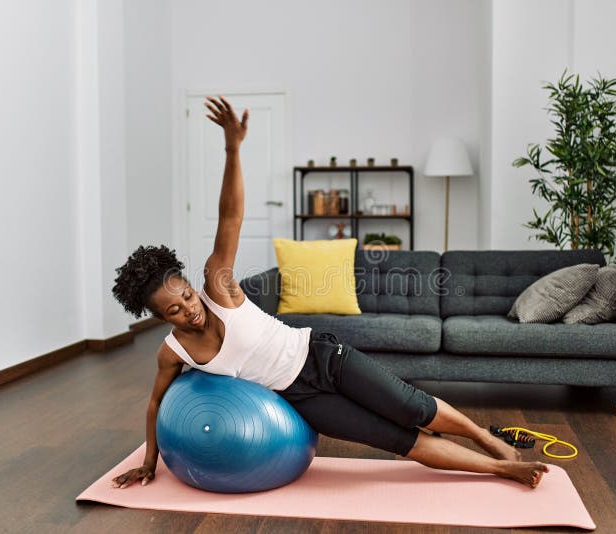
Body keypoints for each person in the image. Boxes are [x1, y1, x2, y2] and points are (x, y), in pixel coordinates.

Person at [109, 96, 549, 490]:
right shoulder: (173, 353)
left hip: (322, 358)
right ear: (161, 318)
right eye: (174, 310)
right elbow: (156, 404)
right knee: (400, 440)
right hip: (301, 398)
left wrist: (232, 148)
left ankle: (486, 438)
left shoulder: (217, 289)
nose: (189, 310)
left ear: (191, 285)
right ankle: (501, 470)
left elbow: (230, 218)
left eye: (186, 296)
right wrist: (149, 463)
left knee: (411, 407)